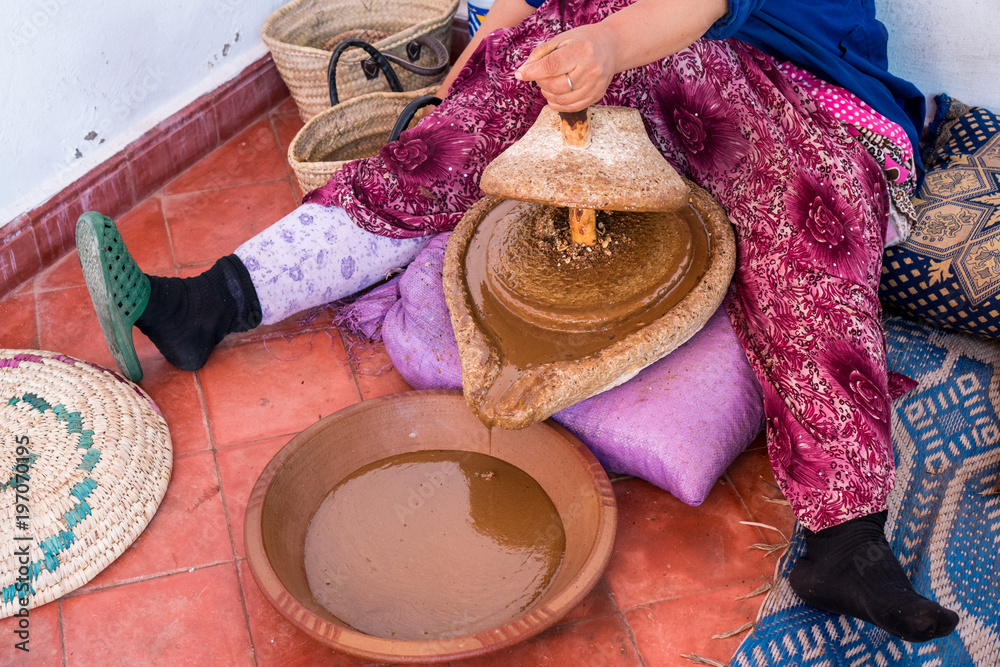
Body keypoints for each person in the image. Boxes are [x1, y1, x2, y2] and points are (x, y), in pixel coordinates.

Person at [77, 0, 960, 642]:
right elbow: (547, 13)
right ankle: (211, 301)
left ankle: (845, 536)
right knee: (470, 124)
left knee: (811, 215)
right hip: (640, 54)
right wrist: (491, 57)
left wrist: (601, 42)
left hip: (798, 79)